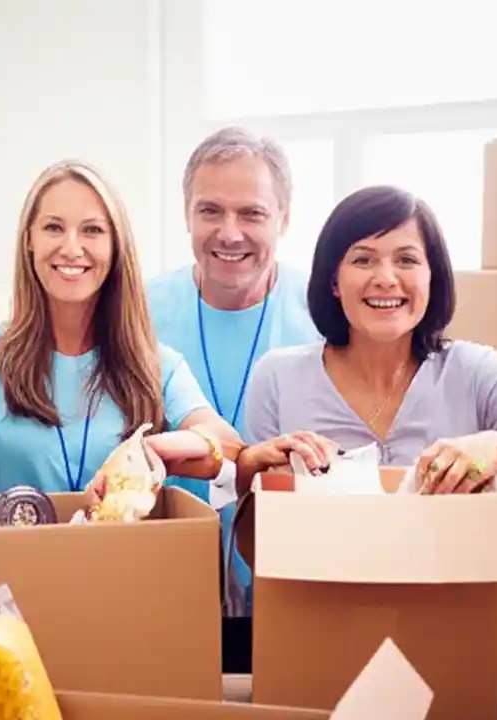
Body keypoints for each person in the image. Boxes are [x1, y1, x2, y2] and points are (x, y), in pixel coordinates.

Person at [236, 184, 497, 674]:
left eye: (407, 259)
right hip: (330, 649)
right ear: (333, 280)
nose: (385, 278)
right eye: (363, 259)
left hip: (476, 651)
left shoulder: (474, 371)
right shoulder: (277, 377)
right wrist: (248, 472)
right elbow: (257, 541)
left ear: (432, 277)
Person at [0, 159, 242, 528]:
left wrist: (151, 449)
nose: (71, 248)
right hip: (4, 564)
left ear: (116, 246)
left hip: (119, 563)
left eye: (92, 230)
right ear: (29, 240)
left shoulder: (158, 365)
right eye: (53, 227)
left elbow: (225, 442)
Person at [144, 127, 321, 670]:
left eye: (251, 214)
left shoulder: (327, 314)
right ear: (186, 214)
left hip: (294, 589)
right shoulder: (137, 312)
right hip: (163, 590)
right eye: (210, 211)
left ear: (284, 219)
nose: (229, 233)